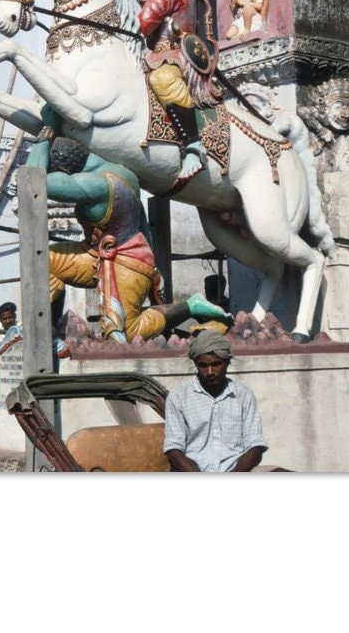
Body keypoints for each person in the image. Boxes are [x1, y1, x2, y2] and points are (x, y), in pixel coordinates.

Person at [27, 136, 231, 344]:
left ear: (64, 173)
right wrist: (155, 266)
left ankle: (191, 306)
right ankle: (49, 335)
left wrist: (43, 139)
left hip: (126, 263)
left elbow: (34, 181)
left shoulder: (96, 183)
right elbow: (141, 218)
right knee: (45, 261)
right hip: (97, 255)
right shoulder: (122, 172)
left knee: (125, 334)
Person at [123, 0, 219, 182]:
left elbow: (143, 23)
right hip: (159, 53)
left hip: (173, 60)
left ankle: (193, 144)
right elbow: (155, 17)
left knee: (163, 78)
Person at [163, 330, 268, 472]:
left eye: (216, 364)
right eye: (203, 365)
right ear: (195, 364)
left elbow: (255, 445)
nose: (210, 372)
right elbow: (173, 449)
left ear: (227, 363)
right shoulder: (178, 397)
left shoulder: (243, 395)